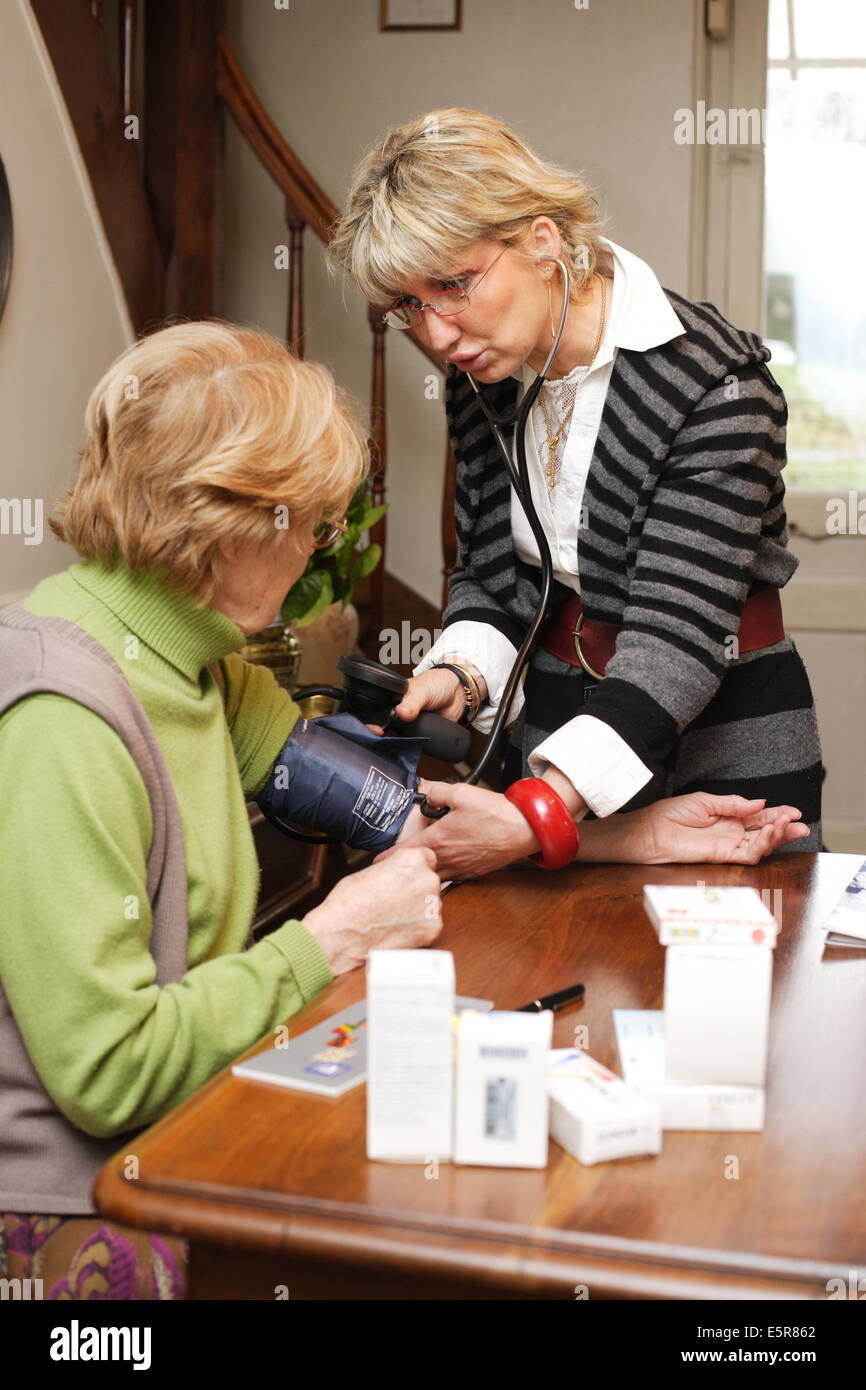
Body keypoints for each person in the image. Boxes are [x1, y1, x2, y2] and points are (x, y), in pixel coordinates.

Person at [0, 321, 443, 1299]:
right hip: (74, 1209)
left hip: (184, 1140)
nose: (323, 548)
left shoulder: (199, 664)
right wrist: (329, 938)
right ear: (241, 522)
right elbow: (109, 1071)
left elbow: (374, 797)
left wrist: (599, 828)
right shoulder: (60, 719)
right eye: (317, 523)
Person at [327, 107, 823, 878]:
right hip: (561, 717)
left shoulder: (717, 387)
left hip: (724, 737)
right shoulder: (484, 373)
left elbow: (678, 637)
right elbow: (494, 570)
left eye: (453, 286)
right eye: (408, 308)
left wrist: (541, 809)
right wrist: (461, 673)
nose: (437, 335)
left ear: (542, 239)